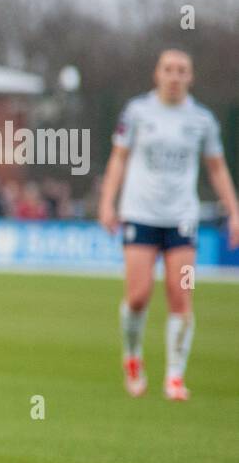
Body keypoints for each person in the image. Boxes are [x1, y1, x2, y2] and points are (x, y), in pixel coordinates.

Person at [98, 48, 239, 400]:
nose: (174, 76)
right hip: (140, 215)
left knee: (181, 296)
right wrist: (107, 202)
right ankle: (132, 356)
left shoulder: (202, 120)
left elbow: (217, 167)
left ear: (190, 77)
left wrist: (234, 210)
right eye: (168, 69)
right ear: (156, 74)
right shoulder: (137, 113)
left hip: (182, 220)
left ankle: (175, 376)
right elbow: (118, 159)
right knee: (138, 296)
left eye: (182, 71)